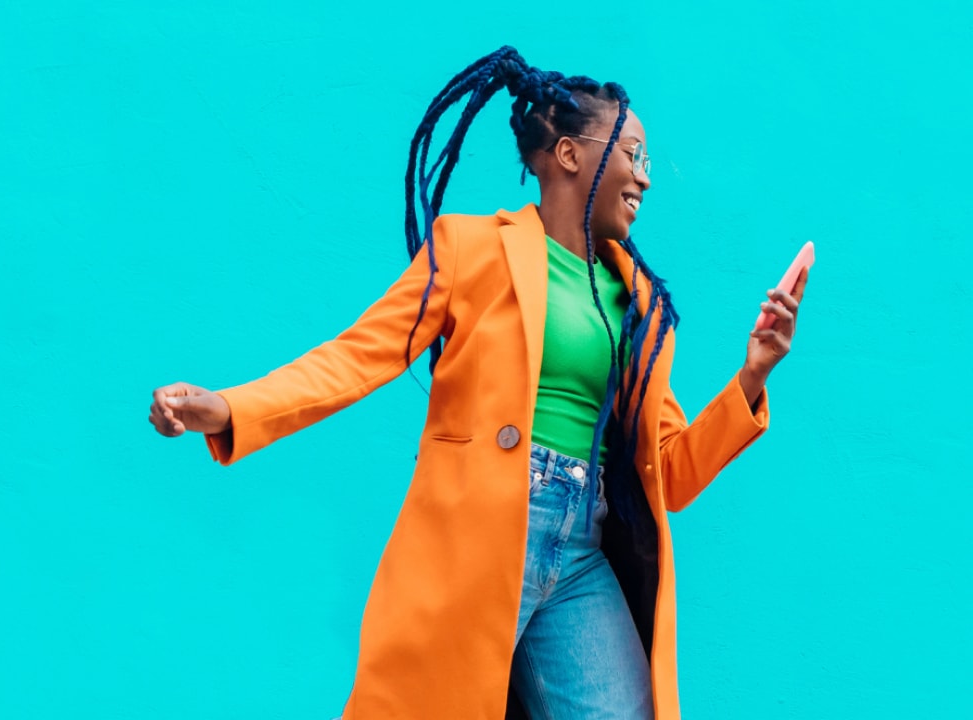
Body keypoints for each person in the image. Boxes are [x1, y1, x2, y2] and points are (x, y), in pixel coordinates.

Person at [148, 47, 807, 720]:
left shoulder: (637, 303)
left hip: (580, 552)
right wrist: (231, 408)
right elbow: (356, 357)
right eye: (633, 155)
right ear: (572, 157)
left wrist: (754, 373)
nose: (646, 177)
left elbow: (672, 472)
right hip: (476, 543)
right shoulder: (469, 250)